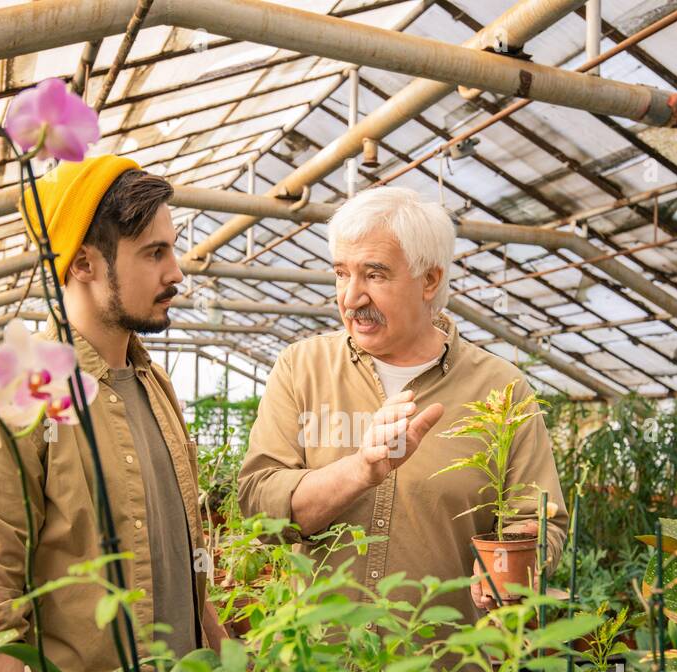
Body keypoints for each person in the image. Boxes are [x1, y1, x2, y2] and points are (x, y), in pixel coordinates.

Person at [0, 155, 228, 672]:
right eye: (154, 253)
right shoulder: (7, 403)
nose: (177, 272)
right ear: (85, 263)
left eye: (173, 247)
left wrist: (220, 653)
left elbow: (176, 553)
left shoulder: (152, 384)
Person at [238, 186, 568, 636]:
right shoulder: (301, 369)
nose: (351, 298)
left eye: (374, 275)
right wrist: (359, 470)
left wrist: (514, 557)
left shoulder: (500, 389)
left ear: (430, 280)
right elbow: (261, 506)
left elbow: (542, 519)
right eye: (341, 274)